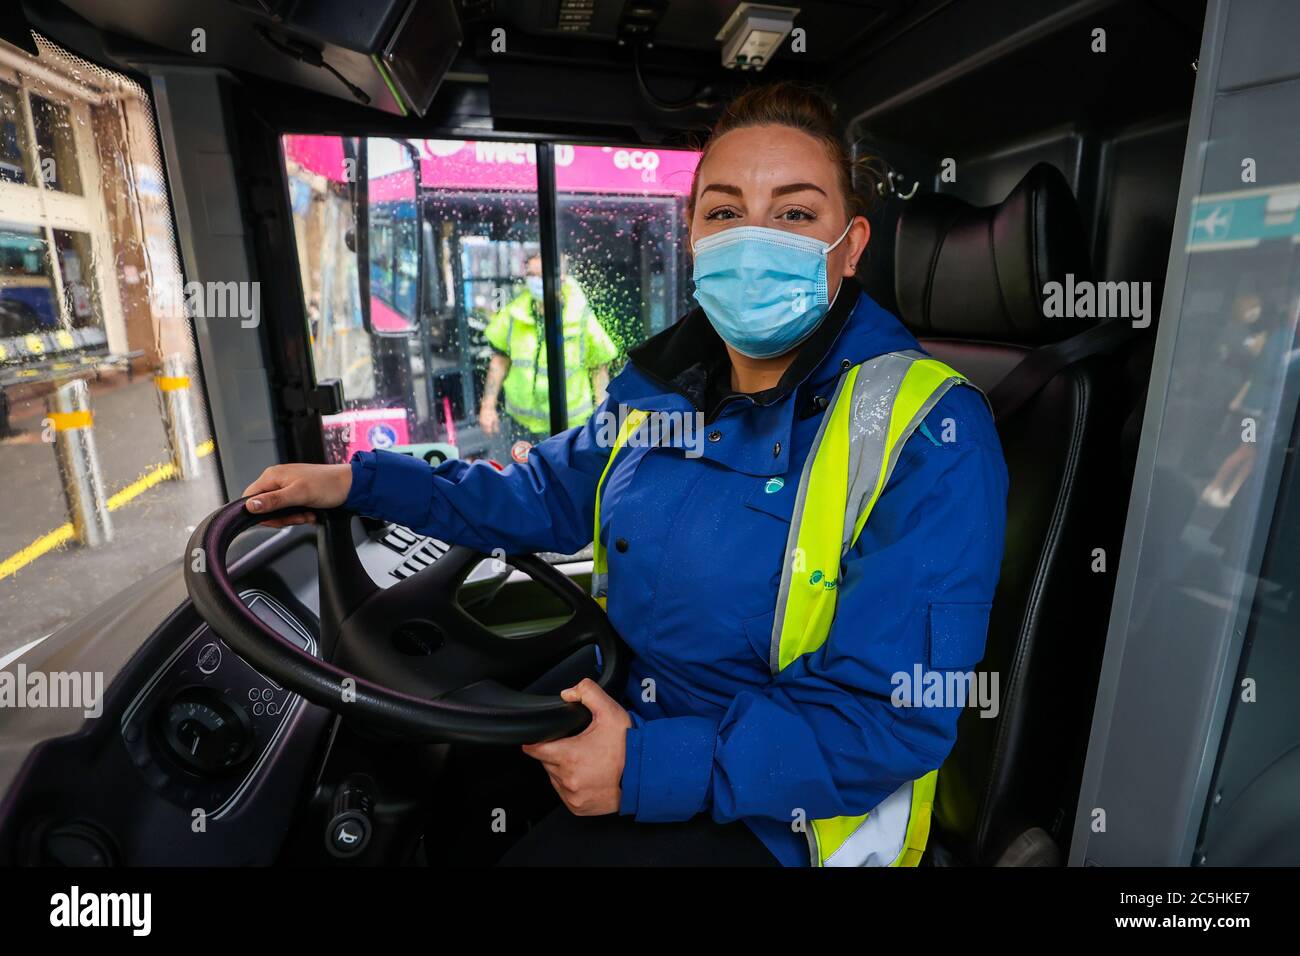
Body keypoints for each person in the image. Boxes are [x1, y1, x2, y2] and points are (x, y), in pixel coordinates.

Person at [241, 82, 1008, 867]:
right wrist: (359, 485)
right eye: (725, 211)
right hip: (638, 713)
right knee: (454, 792)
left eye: (795, 214)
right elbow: (541, 494)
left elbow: (891, 718)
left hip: (790, 812)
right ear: (693, 234)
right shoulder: (666, 388)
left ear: (850, 245)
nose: (754, 240)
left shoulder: (930, 430)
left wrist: (647, 767)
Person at [478, 254, 617, 441]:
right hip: (521, 424)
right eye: (531, 275)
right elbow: (499, 360)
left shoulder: (580, 316)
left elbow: (599, 367)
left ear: (562, 277)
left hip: (570, 424)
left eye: (542, 275)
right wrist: (488, 406)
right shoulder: (513, 314)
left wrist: (603, 416)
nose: (536, 281)